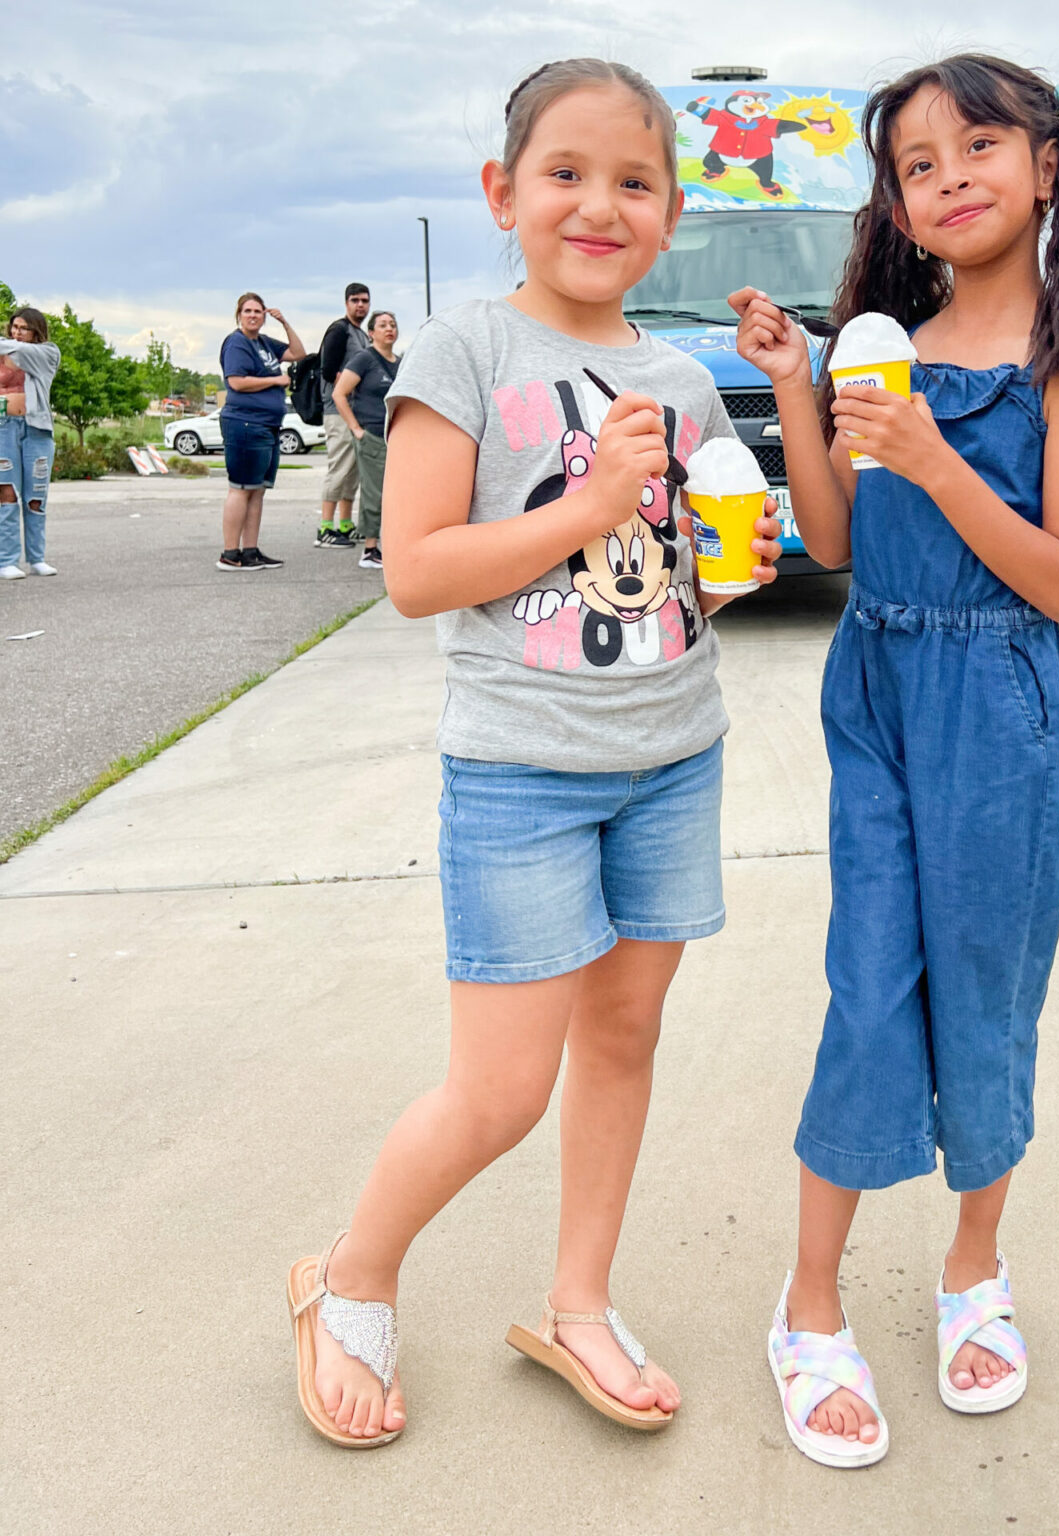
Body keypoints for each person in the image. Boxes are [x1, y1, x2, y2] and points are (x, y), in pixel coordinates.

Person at [286, 58, 783, 1448]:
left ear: (671, 215)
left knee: (625, 1040)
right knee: (502, 1089)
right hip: (521, 773)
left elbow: (678, 556)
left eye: (635, 183)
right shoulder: (465, 352)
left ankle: (579, 1302)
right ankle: (347, 1278)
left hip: (673, 752)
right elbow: (418, 569)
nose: (598, 204)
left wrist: (709, 558)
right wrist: (596, 498)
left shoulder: (681, 375)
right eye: (566, 173)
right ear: (503, 192)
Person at [732, 53, 1059, 1467]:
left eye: (978, 145)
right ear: (901, 209)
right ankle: (809, 1306)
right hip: (878, 685)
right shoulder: (880, 345)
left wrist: (930, 454)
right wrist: (803, 388)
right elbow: (840, 543)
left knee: (984, 995)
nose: (950, 176)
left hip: (1001, 697)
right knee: (870, 990)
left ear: (1049, 165)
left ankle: (974, 1270)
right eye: (919, 165)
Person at [217, 293, 305, 571]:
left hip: (267, 425)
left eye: (258, 311)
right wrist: (276, 379)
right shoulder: (237, 343)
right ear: (239, 314)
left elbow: (298, 354)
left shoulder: (264, 343)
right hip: (245, 424)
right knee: (241, 489)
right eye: (248, 311)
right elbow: (237, 382)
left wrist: (284, 323)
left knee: (257, 491)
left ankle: (251, 551)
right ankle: (231, 554)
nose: (253, 315)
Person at [331, 310, 398, 570]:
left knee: (396, 494)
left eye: (392, 324)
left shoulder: (400, 362)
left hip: (395, 437)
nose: (389, 328)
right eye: (382, 325)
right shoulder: (364, 359)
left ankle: (391, 544)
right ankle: (370, 549)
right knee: (375, 492)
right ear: (371, 333)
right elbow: (339, 394)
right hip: (372, 435)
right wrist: (356, 429)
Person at [0, 307, 62, 580]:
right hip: (4, 429)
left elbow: (23, 352)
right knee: (7, 494)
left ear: (36, 331)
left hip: (36, 430)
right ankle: (7, 560)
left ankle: (37, 558)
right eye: (14, 327)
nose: (17, 332)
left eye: (24, 328)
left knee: (36, 498)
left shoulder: (46, 352)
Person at [316, 282, 372, 547]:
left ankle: (346, 524)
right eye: (355, 300)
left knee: (352, 471)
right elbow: (328, 370)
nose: (360, 305)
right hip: (336, 410)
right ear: (346, 303)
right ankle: (325, 528)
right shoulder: (339, 331)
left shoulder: (360, 334)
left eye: (364, 301)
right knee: (339, 468)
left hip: (356, 411)